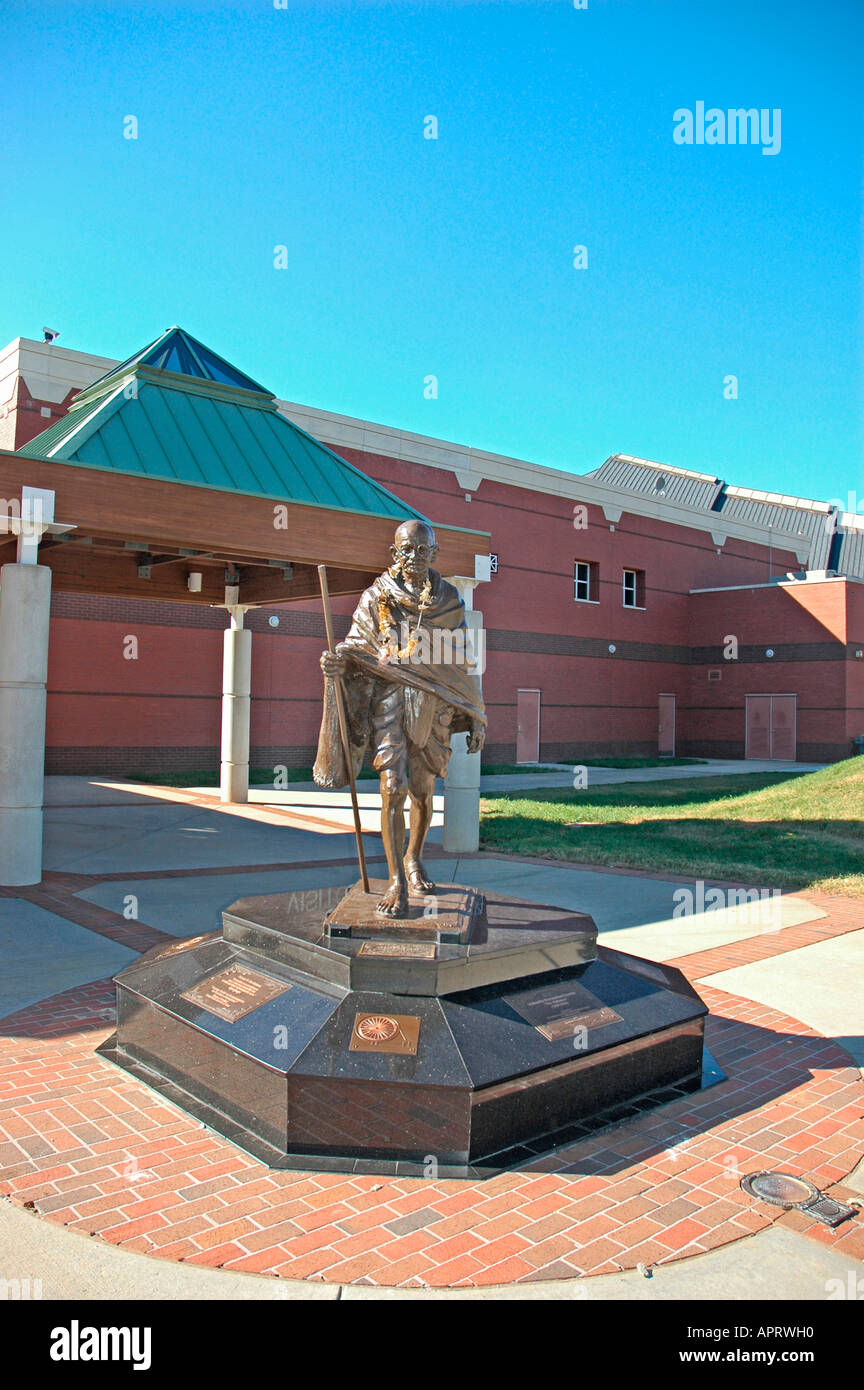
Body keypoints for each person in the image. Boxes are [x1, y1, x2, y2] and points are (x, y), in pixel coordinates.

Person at [316, 519, 486, 916]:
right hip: (389, 699)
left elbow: (461, 661)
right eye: (407, 550)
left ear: (434, 554)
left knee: (423, 793)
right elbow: (358, 644)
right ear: (395, 554)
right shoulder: (377, 597)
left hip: (433, 705)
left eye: (423, 550)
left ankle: (413, 858)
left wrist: (475, 712)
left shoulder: (447, 599)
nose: (415, 557)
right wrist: (337, 664)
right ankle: (395, 881)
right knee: (392, 787)